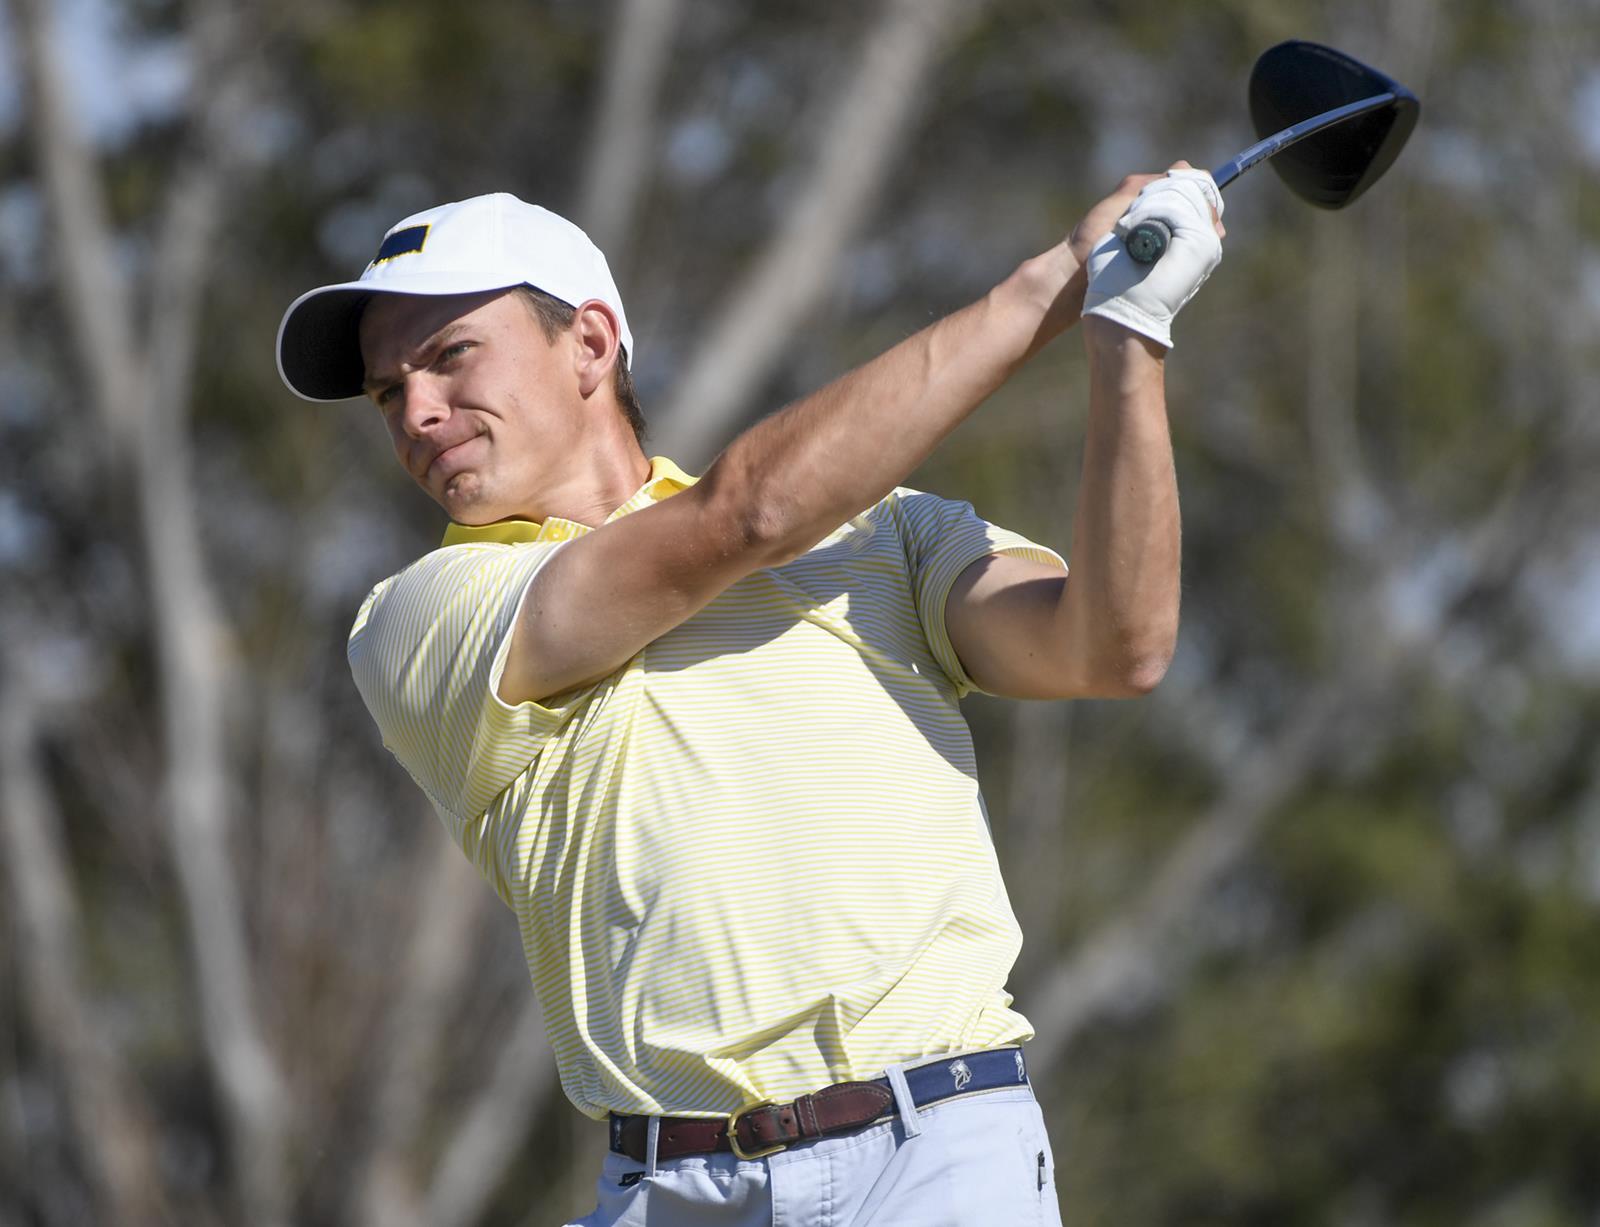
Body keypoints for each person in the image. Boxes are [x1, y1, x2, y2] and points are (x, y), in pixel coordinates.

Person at [276, 165, 1224, 1226]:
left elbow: (1112, 647)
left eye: (449, 358)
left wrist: (1126, 337)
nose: (417, 411)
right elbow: (748, 515)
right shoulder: (421, 617)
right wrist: (1054, 277)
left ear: (588, 343)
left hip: (938, 1161)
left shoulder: (883, 532)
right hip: (671, 1190)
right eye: (387, 392)